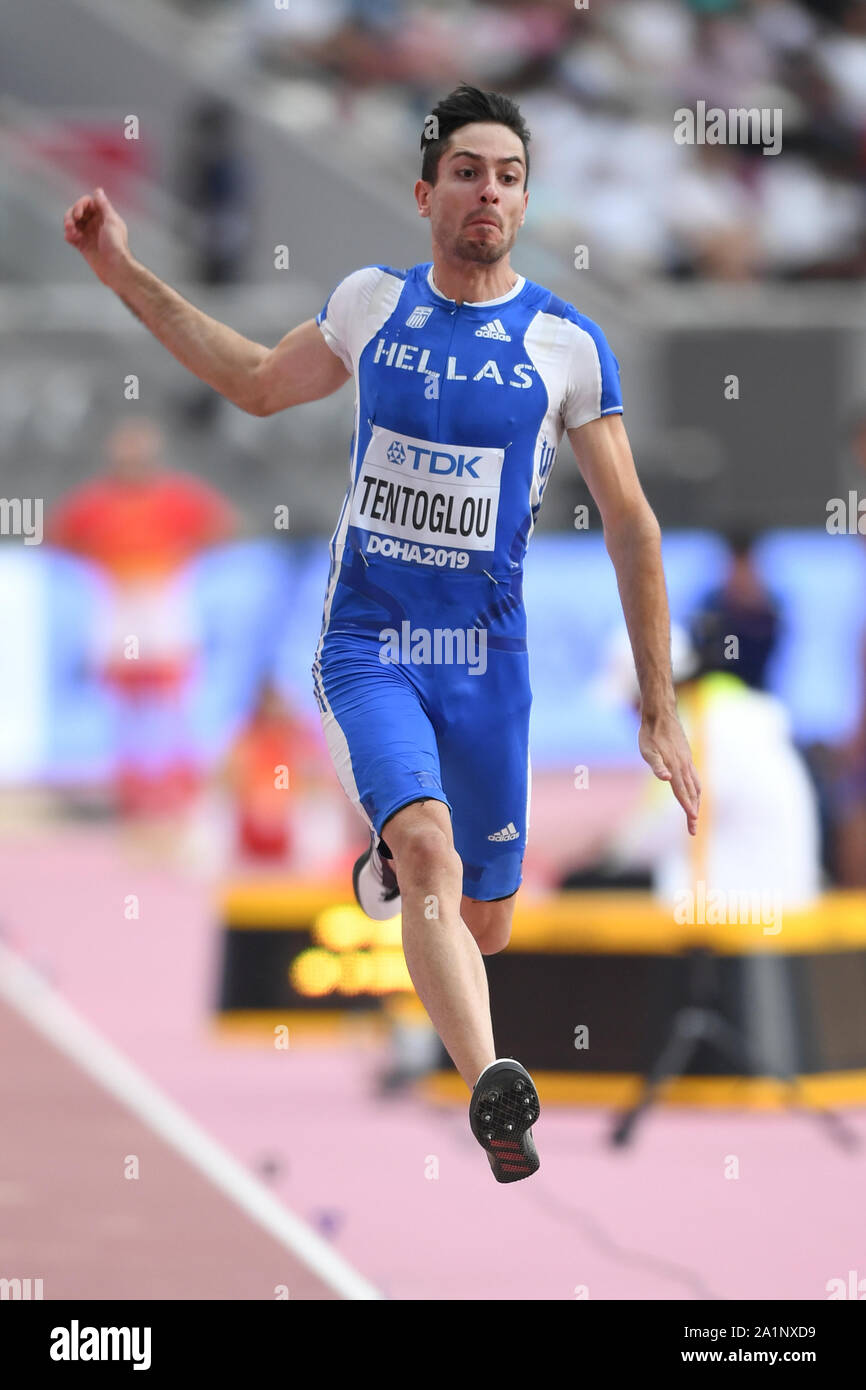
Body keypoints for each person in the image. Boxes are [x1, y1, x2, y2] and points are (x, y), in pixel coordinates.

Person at [63, 83, 700, 1183]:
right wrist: (122, 270)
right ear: (424, 193)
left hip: (487, 660)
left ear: (526, 198)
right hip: (369, 644)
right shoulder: (371, 305)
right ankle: (492, 1083)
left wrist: (660, 702)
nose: (486, 191)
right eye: (465, 172)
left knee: (485, 922)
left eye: (505, 174)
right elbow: (256, 384)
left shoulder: (564, 344)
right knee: (426, 852)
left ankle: (405, 880)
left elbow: (631, 526)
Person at [47, 418, 237, 816]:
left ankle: (180, 783)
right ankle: (131, 785)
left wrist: (180, 560)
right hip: (119, 597)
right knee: (124, 696)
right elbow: (58, 536)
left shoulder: (175, 496)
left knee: (171, 695)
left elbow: (222, 526)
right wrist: (99, 563)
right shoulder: (96, 501)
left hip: (160, 595)